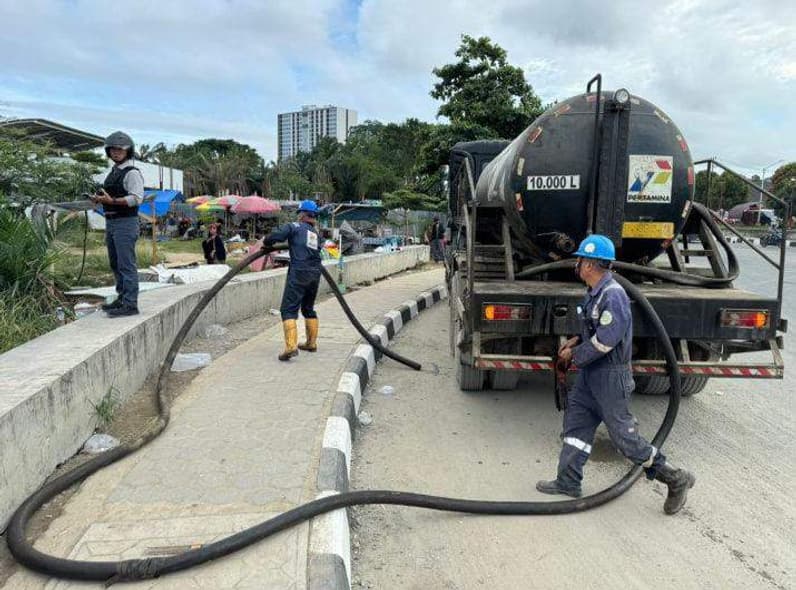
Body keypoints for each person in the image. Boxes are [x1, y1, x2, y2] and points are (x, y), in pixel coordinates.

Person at [536, 234, 695, 515]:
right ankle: (568, 482)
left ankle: (675, 478)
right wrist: (575, 341)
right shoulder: (596, 292)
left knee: (624, 439)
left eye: (581, 260)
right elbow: (595, 331)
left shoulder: (613, 295)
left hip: (610, 377)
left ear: (589, 265)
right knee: (575, 428)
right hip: (590, 376)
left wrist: (576, 354)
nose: (577, 265)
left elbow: (607, 340)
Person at [92, 131, 145, 318]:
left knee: (126, 264)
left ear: (128, 151)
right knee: (115, 263)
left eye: (120, 150)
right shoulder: (114, 172)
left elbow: (137, 199)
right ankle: (122, 298)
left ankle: (130, 304)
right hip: (112, 222)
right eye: (113, 149)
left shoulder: (132, 173)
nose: (116, 153)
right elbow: (111, 197)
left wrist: (112, 200)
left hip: (126, 223)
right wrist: (100, 199)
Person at [263, 200, 322, 361]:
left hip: (299, 273)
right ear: (314, 217)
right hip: (315, 274)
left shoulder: (294, 227)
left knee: (288, 309)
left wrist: (266, 242)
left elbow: (275, 237)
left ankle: (291, 347)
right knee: (308, 308)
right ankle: (311, 343)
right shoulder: (316, 235)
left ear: (301, 214)